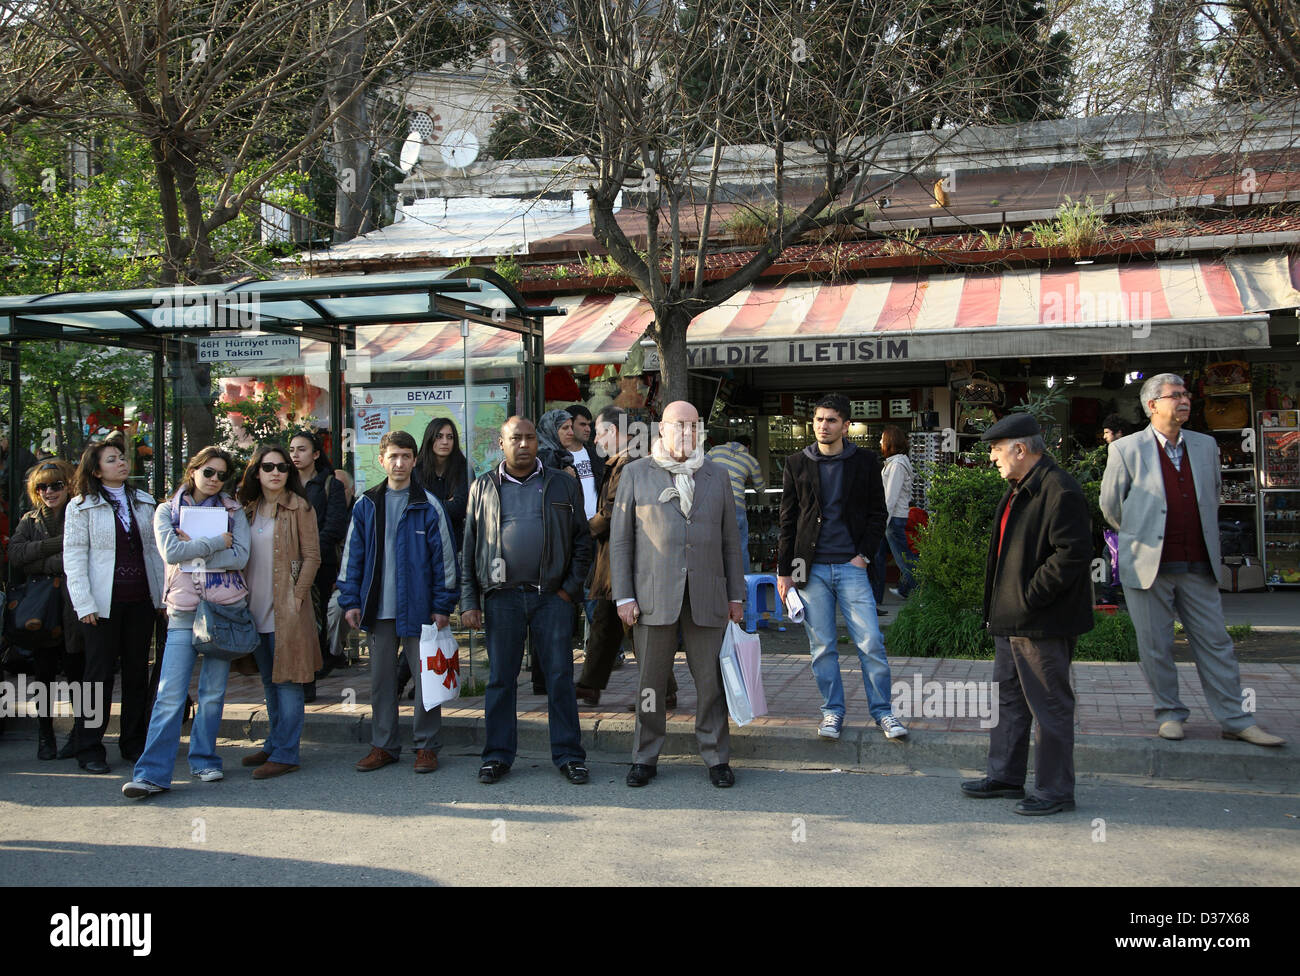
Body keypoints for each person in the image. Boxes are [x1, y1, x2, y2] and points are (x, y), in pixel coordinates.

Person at [1100, 373, 1284, 747]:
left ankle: (1235, 718)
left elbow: (1211, 495)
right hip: (1149, 565)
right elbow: (1110, 507)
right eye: (1175, 396)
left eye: (1186, 395)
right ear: (1153, 405)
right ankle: (1169, 713)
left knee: (1216, 643)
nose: (1184, 401)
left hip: (1199, 564)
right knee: (1156, 645)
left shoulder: (1205, 446)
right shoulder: (1126, 449)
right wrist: (1142, 534)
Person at [960, 414, 1093, 816]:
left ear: (1020, 449)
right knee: (1009, 702)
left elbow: (1071, 555)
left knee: (1049, 706)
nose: (992, 458)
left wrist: (1029, 597)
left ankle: (1055, 790)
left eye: (997, 450)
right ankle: (1005, 776)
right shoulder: (1021, 486)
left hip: (1040, 621)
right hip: (1013, 619)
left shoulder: (1059, 489)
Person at [610, 400, 746, 789]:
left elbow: (730, 542)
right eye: (678, 425)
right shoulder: (636, 473)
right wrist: (624, 596)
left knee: (711, 682)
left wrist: (736, 595)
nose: (686, 432)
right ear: (662, 430)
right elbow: (620, 542)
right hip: (652, 597)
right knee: (650, 685)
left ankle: (717, 757)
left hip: (708, 595)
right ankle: (645, 756)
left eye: (692, 425)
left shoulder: (716, 475)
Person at [462, 416, 592, 785]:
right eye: (515, 438)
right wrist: (470, 600)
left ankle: (569, 755)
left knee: (560, 678)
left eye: (529, 438)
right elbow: (470, 548)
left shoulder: (561, 484)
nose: (523, 444)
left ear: (539, 443)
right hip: (502, 598)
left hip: (551, 597)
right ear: (501, 444)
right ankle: (498, 756)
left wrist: (569, 590)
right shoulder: (483, 488)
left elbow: (583, 542)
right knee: (501, 680)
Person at [776, 394, 906, 742]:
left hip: (851, 566)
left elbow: (879, 513)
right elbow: (787, 521)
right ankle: (832, 712)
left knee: (871, 642)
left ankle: (883, 712)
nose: (823, 425)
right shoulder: (796, 462)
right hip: (810, 567)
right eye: (819, 419)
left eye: (831, 420)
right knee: (822, 647)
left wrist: (863, 554)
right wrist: (783, 572)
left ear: (846, 425)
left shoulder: (864, 461)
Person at [122, 448, 249, 798]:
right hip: (182, 611)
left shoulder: (233, 509)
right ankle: (151, 774)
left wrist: (193, 548)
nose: (215, 480)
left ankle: (205, 759)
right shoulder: (166, 510)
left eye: (222, 475)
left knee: (212, 693)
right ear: (192, 470)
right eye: (209, 472)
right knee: (170, 694)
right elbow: (170, 554)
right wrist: (213, 544)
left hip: (224, 610)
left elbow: (240, 555)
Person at [337, 430, 458, 774]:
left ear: (415, 459)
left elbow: (445, 560)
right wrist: (350, 600)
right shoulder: (366, 504)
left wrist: (442, 604)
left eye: (406, 456)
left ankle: (426, 746)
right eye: (393, 456)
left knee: (426, 681)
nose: (400, 463)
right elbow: (352, 557)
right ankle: (384, 745)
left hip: (421, 609)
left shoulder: (428, 504)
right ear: (381, 460)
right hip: (378, 608)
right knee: (381, 682)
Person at [63, 438, 166, 774]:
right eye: (112, 459)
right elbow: (74, 558)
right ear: (96, 469)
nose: (122, 463)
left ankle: (133, 742)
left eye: (122, 458)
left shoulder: (144, 501)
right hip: (101, 605)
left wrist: (162, 596)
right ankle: (89, 747)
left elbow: (156, 553)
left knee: (138, 673)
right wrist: (84, 603)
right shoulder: (81, 506)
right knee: (97, 677)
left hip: (141, 600)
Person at [573, 406, 676, 707]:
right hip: (614, 562)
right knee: (606, 623)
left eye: (600, 432)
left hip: (627, 561)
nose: (596, 441)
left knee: (635, 628)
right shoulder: (624, 460)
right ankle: (589, 685)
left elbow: (612, 513)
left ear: (615, 432)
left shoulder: (629, 462)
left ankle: (663, 690)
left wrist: (582, 530)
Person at [237, 443, 323, 779]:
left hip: (287, 610)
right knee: (270, 682)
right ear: (256, 472)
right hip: (252, 607)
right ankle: (275, 742)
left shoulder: (300, 507)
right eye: (268, 467)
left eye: (282, 467)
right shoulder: (247, 510)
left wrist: (297, 597)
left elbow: (313, 557)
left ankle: (287, 753)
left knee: (288, 681)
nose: (276, 473)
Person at [9, 459, 84, 760]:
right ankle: (45, 735)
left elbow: (81, 555)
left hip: (74, 605)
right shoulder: (29, 519)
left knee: (78, 673)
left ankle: (81, 734)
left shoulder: (79, 515)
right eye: (42, 487)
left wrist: (41, 561)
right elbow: (15, 555)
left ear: (68, 484)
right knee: (43, 674)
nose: (49, 491)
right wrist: (56, 547)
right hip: (41, 609)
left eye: (56, 485)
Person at [288, 429, 349, 683]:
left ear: (315, 454)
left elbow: (334, 525)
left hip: (322, 561)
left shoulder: (329, 484)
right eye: (291, 450)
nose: (295, 455)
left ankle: (323, 658)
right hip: (290, 563)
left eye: (301, 450)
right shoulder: (284, 482)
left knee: (322, 610)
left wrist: (310, 553)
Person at [706, 434, 765, 568]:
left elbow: (701, 467)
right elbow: (761, 488)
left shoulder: (716, 450)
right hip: (735, 506)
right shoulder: (751, 460)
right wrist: (747, 479)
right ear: (748, 447)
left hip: (712, 503)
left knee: (712, 543)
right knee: (740, 546)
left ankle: (715, 578)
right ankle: (743, 582)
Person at [875, 424, 917, 601]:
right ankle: (882, 595)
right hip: (893, 518)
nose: (880, 442)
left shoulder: (897, 465)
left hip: (892, 519)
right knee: (880, 555)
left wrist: (882, 521)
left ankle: (919, 591)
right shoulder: (897, 462)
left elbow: (890, 497)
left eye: (883, 439)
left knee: (903, 558)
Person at [415, 417, 470, 547]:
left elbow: (460, 508)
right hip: (423, 544)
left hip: (455, 545)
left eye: (450, 437)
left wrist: (430, 504)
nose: (445, 442)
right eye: (439, 436)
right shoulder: (416, 469)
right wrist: (447, 504)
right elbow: (417, 508)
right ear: (430, 439)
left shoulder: (464, 469)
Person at [565, 404, 605, 522]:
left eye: (589, 424)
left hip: (597, 525)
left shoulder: (596, 455)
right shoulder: (558, 458)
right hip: (571, 527)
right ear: (569, 425)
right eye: (582, 424)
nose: (588, 429)